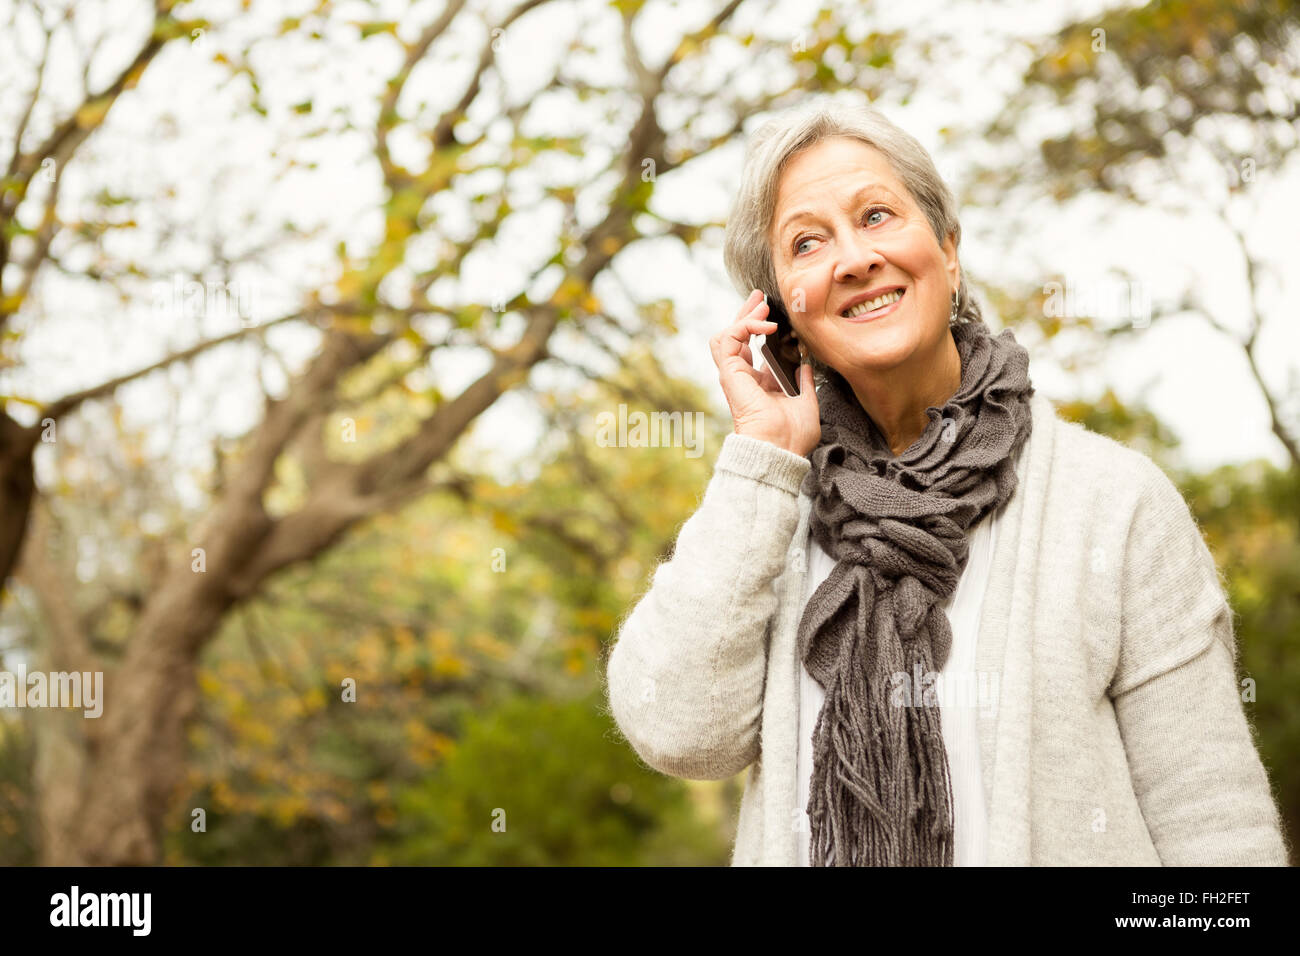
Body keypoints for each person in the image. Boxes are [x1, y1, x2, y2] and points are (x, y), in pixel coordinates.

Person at [603, 98, 1290, 866]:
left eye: (877, 216)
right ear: (779, 315)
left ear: (949, 250)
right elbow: (678, 731)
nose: (855, 258)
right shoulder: (769, 513)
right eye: (807, 242)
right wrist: (761, 461)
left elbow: (1217, 831)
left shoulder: (1112, 503)